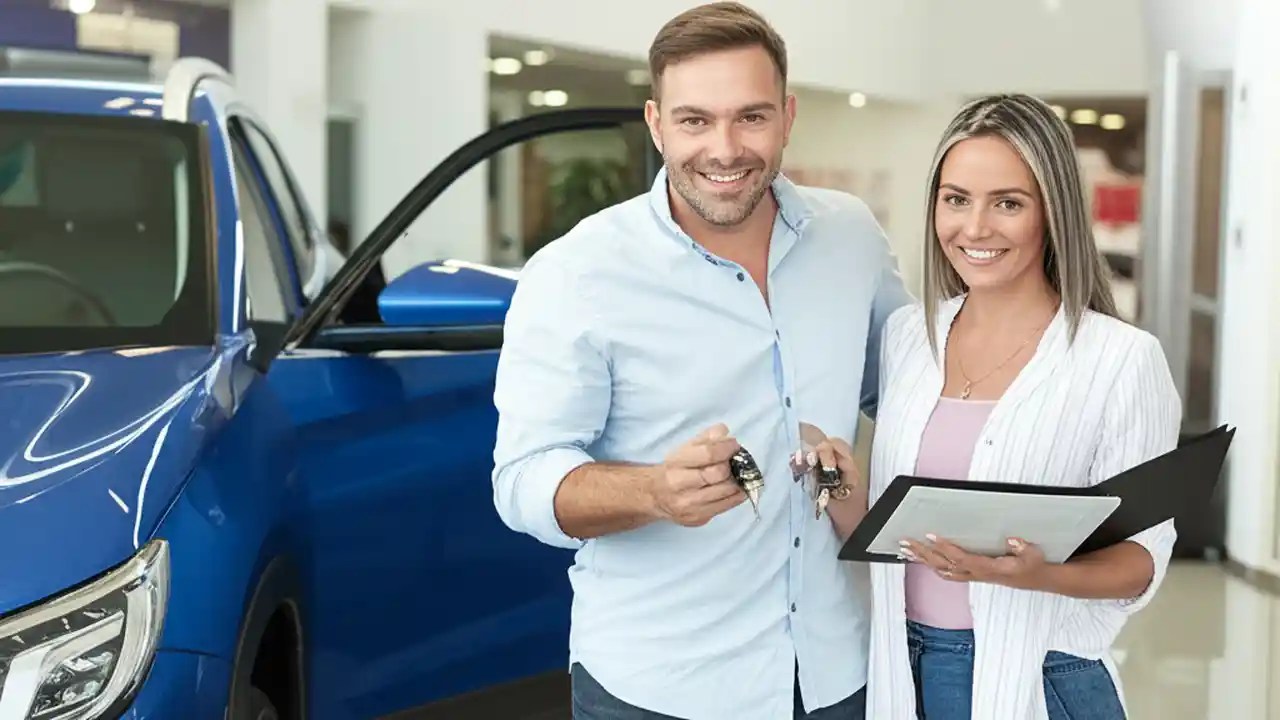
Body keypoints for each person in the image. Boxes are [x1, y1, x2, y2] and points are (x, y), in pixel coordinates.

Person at [490, 3, 911, 718]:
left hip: (839, 673)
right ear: (656, 123)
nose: (724, 148)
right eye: (694, 120)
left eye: (751, 117)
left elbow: (911, 393)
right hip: (661, 687)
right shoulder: (577, 273)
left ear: (787, 115)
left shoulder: (851, 238)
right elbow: (523, 481)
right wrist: (652, 491)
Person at [825, 94, 1182, 719]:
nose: (975, 228)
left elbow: (1140, 559)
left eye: (1007, 203)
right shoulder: (910, 335)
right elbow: (897, 534)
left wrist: (1040, 575)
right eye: (956, 199)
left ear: (1053, 213)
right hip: (901, 671)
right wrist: (832, 483)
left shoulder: (1121, 358)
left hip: (1042, 680)